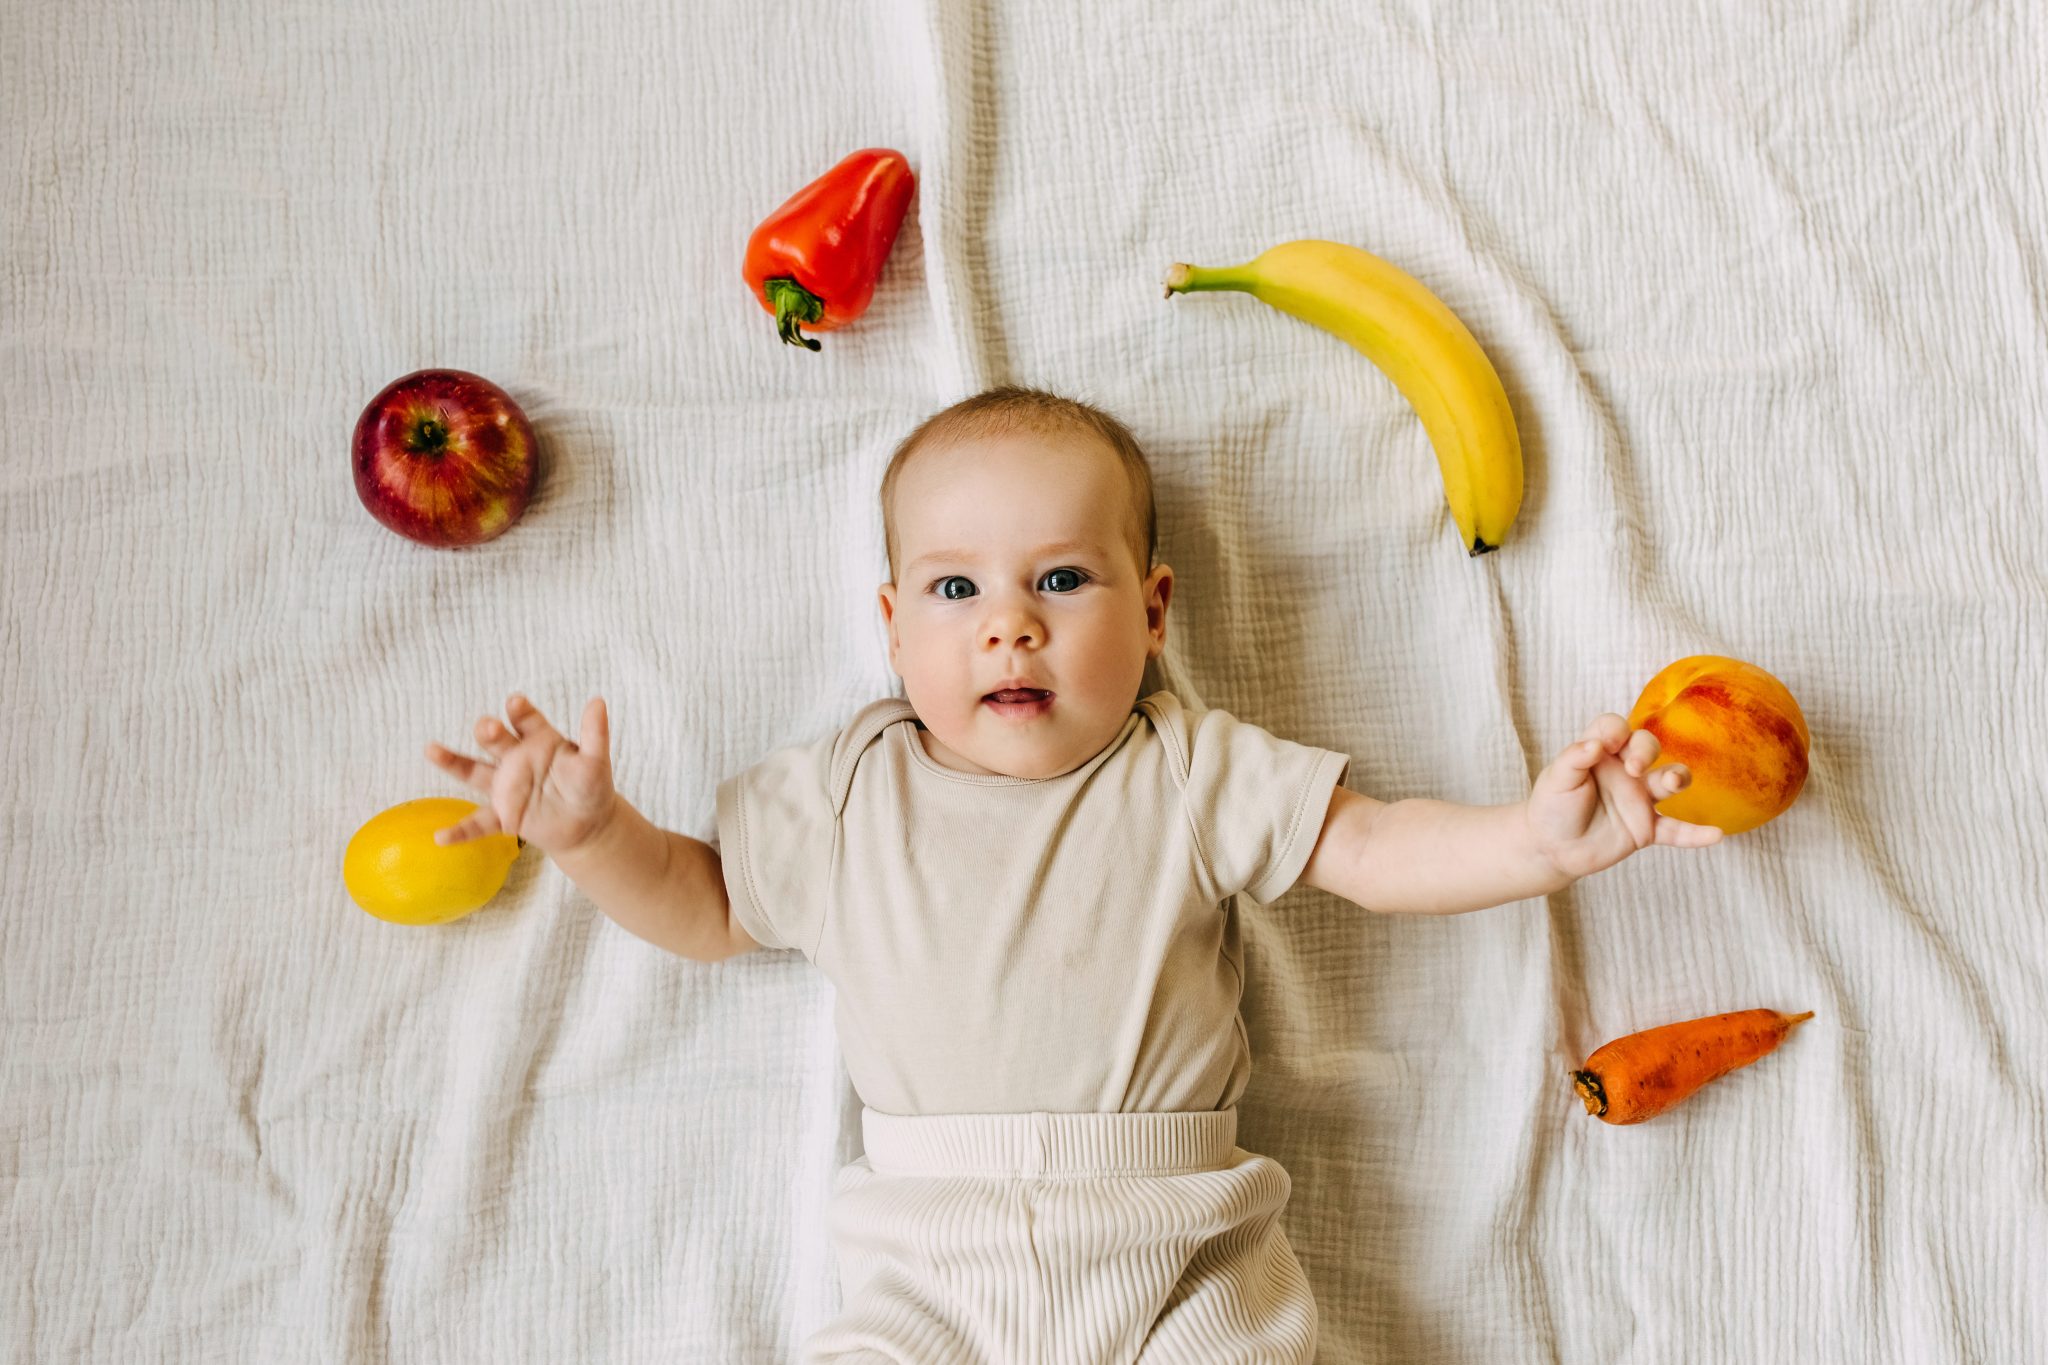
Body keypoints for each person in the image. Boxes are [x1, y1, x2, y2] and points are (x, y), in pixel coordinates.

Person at [423, 385, 1720, 1363]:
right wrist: (595, 836)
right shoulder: (843, 791)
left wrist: (1529, 841)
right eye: (953, 586)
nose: (1010, 620)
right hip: (931, 1269)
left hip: (1177, 1251)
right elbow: (706, 905)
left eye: (1060, 577)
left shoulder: (1188, 768)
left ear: (1153, 613)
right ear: (889, 626)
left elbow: (1372, 848)